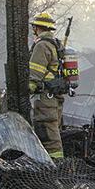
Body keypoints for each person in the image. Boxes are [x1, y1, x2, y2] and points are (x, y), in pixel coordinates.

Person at [27, 12, 67, 159]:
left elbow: (36, 72)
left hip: (46, 98)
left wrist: (27, 88)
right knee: (53, 131)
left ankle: (54, 169)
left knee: (48, 135)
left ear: (37, 28)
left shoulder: (42, 46)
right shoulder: (56, 44)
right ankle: (55, 167)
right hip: (55, 96)